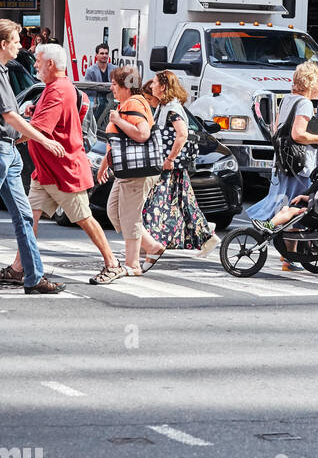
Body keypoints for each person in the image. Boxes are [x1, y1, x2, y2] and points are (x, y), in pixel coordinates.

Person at [3, 42, 123, 287]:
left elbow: (38, 130)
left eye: (37, 60)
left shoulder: (59, 90)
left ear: (50, 63)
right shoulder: (53, 88)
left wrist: (11, 139)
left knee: (84, 218)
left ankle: (113, 263)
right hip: (46, 170)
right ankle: (19, 268)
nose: (34, 65)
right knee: (29, 219)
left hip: (64, 171)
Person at [0, 23, 66, 293]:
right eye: (16, 41)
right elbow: (9, 116)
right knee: (24, 216)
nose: (20, 45)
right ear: (3, 44)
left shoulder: (6, 71)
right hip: (2, 150)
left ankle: (33, 277)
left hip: (10, 150)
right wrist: (43, 139)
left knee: (25, 217)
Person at [246, 61, 318, 269]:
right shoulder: (305, 103)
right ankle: (289, 256)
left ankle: (285, 252)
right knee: (296, 207)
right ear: (310, 81)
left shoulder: (288, 99)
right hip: (300, 164)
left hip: (285, 162)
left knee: (286, 203)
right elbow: (298, 134)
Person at [96, 68, 167, 276]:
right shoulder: (129, 103)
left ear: (126, 86)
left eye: (115, 85)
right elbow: (117, 143)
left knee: (129, 217)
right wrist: (104, 165)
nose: (112, 88)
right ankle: (152, 246)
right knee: (114, 211)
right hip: (127, 170)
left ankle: (133, 264)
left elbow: (142, 134)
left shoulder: (134, 103)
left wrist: (118, 121)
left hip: (136, 170)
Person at [142, 72, 219, 261]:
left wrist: (170, 159)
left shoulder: (172, 109)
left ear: (163, 87)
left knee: (154, 207)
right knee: (184, 204)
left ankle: (151, 250)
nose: (152, 86)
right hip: (169, 166)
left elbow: (182, 134)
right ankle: (207, 234)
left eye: (155, 83)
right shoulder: (165, 107)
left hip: (170, 166)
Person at [252, 163, 318, 236]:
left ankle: (270, 225)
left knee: (291, 211)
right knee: (285, 208)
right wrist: (302, 197)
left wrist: (309, 209)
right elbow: (313, 199)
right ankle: (270, 224)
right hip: (311, 210)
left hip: (315, 215)